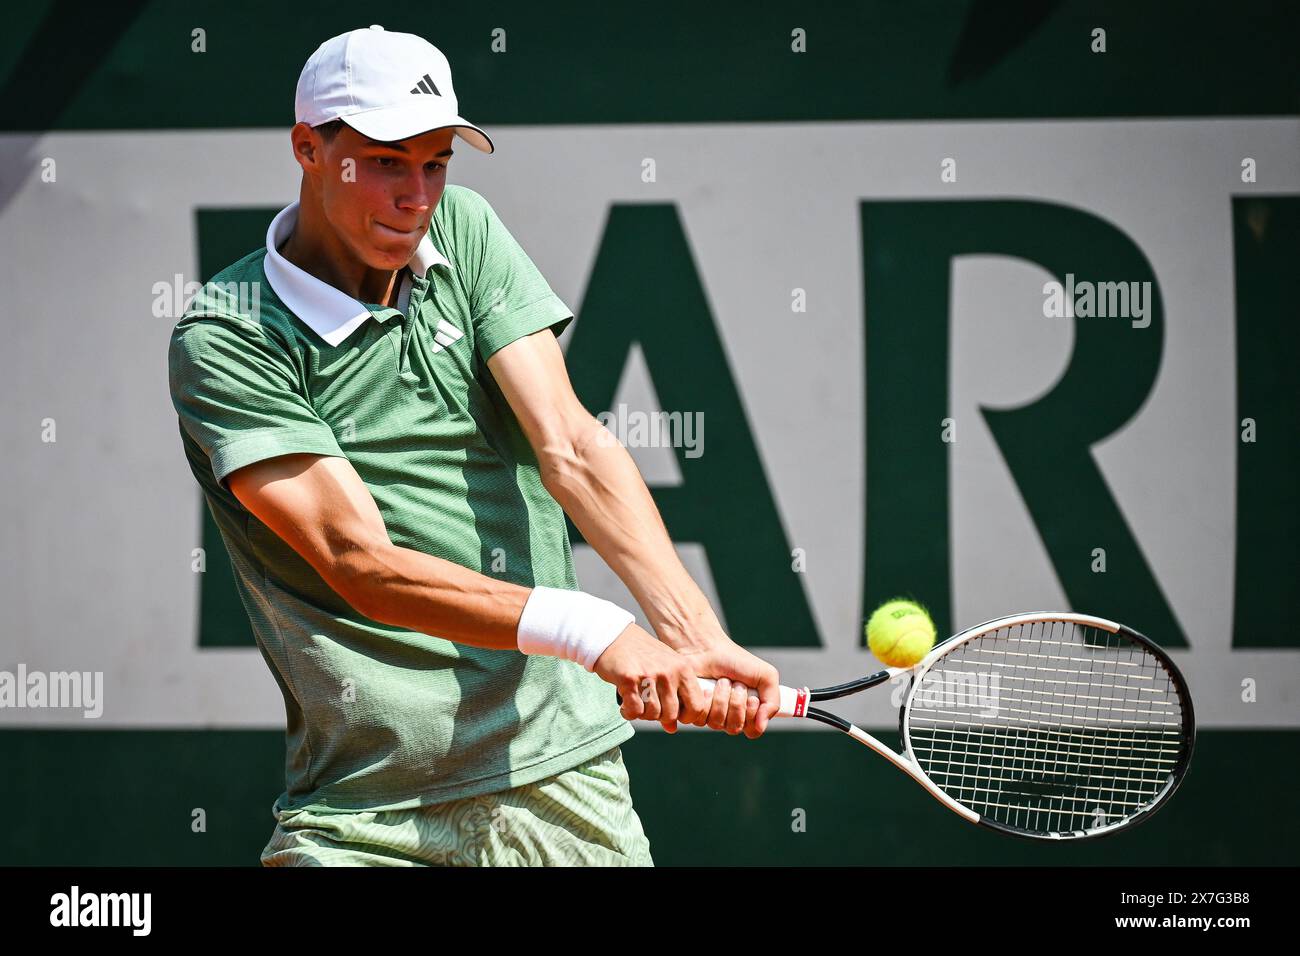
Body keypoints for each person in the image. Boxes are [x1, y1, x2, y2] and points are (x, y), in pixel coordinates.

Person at [167, 25, 780, 866]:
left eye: (435, 163)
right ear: (309, 148)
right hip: (367, 812)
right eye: (386, 162)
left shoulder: (461, 229)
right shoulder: (228, 336)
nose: (415, 196)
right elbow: (359, 561)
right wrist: (597, 630)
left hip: (563, 782)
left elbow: (570, 443)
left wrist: (689, 630)